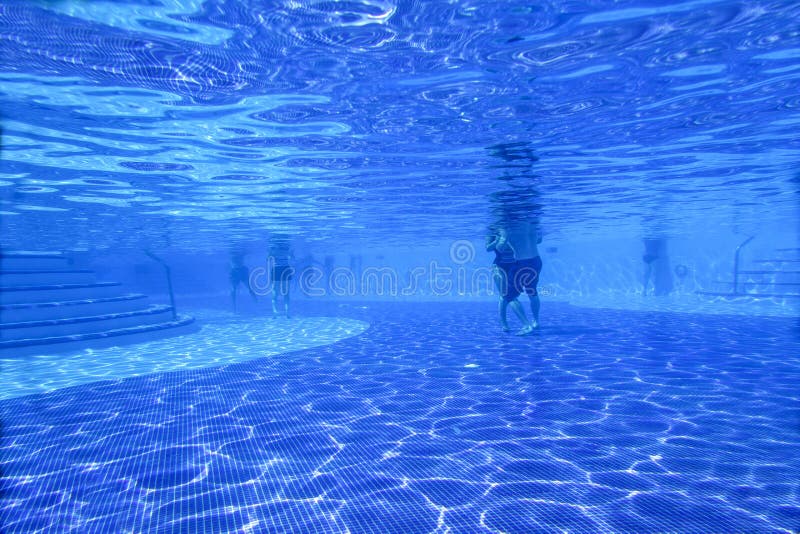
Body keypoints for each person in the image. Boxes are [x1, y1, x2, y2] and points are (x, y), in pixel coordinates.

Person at [486, 225, 534, 334]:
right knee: (507, 295)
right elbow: (488, 248)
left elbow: (520, 248)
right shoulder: (492, 232)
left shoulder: (512, 231)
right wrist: (499, 239)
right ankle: (523, 324)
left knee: (507, 296)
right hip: (498, 267)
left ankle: (507, 325)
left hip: (513, 266)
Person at [505, 220, 543, 335]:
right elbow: (539, 240)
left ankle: (526, 325)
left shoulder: (509, 224)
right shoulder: (533, 223)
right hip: (536, 261)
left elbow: (505, 245)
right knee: (532, 292)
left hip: (521, 263)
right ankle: (536, 321)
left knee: (510, 296)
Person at [268, 237, 294, 318]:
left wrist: (271, 252)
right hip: (285, 269)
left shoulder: (273, 250)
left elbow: (268, 259)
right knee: (286, 293)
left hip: (277, 269)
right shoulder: (288, 249)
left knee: (275, 292)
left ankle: (275, 312)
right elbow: (293, 258)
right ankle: (287, 312)